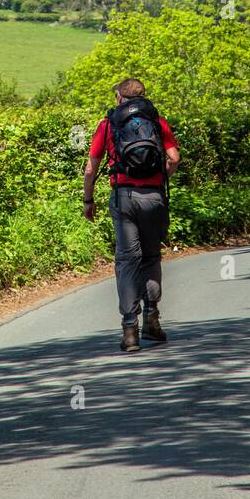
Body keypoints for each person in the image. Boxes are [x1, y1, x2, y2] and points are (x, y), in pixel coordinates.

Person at [82, 78, 180, 352]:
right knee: (151, 256)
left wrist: (88, 200)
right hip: (154, 197)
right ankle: (152, 320)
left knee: (127, 260)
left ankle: (129, 331)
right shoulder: (157, 121)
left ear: (119, 98)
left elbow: (91, 169)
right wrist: (160, 178)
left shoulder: (109, 123)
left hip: (124, 197)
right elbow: (174, 159)